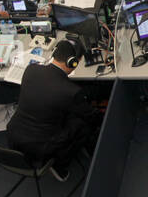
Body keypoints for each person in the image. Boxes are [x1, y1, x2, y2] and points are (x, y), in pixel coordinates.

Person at [6, 40, 101, 182]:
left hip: (14, 137)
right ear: (73, 63)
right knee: (83, 125)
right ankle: (60, 164)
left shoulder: (31, 70)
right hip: (44, 146)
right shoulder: (71, 91)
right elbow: (90, 116)